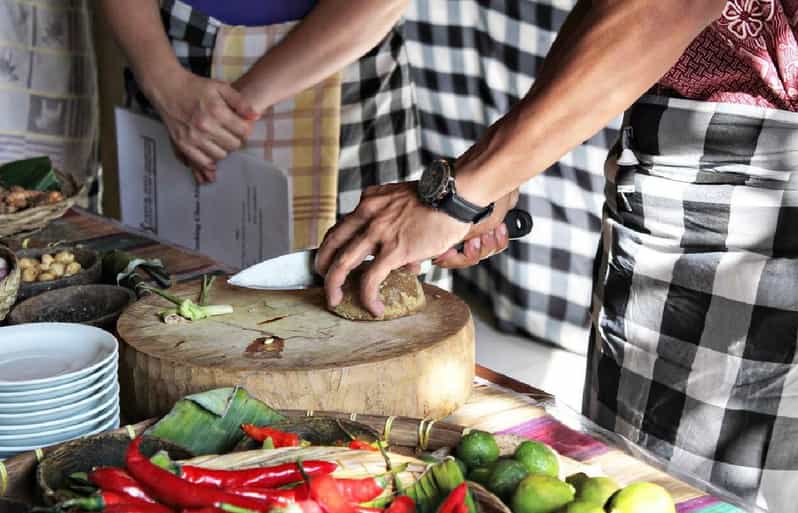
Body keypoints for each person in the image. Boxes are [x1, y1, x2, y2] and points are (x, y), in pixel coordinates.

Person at [318, 0, 798, 509]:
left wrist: (464, 190)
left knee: (666, 492)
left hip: (745, 175)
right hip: (706, 150)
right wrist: (500, 176)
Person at [100, 0, 514, 266]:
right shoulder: (168, 84)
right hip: (170, 61)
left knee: (363, 299)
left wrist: (235, 109)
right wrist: (163, 81)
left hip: (341, 66)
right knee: (173, 298)